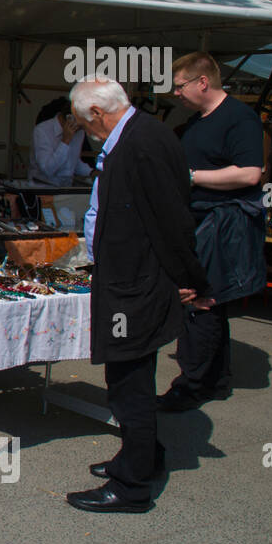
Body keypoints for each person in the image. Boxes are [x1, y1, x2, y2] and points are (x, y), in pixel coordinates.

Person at [69, 76, 208, 513]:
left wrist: (194, 281)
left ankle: (132, 487)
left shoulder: (142, 141)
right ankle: (142, 457)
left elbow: (172, 218)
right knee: (126, 376)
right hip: (125, 279)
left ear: (96, 113)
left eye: (83, 122)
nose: (85, 131)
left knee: (130, 381)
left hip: (135, 285)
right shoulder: (136, 135)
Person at [161, 52, 266, 411]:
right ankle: (214, 380)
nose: (175, 93)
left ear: (202, 82)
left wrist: (191, 177)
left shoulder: (240, 118)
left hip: (222, 224)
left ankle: (191, 385)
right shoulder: (196, 121)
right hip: (200, 220)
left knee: (198, 300)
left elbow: (251, 173)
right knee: (208, 303)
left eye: (179, 86)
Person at [29, 96, 94, 229]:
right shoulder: (42, 131)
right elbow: (47, 168)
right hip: (43, 192)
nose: (83, 129)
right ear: (70, 118)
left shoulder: (79, 133)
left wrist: (92, 172)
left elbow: (74, 163)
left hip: (66, 191)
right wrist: (65, 141)